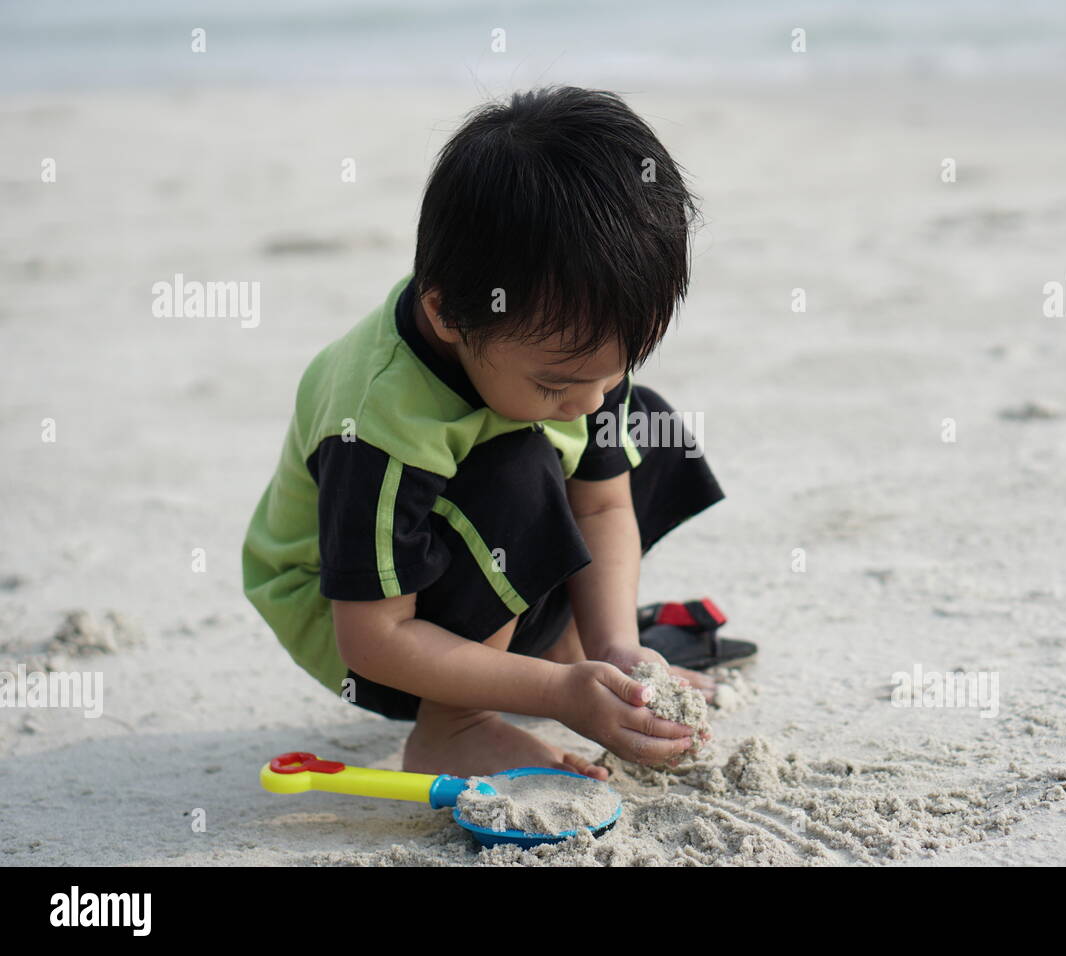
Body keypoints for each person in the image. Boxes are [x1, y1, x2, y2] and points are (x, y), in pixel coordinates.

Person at [241, 86, 732, 781]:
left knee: (641, 422)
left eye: (609, 372)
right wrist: (557, 698)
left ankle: (564, 645)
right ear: (447, 312)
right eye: (557, 384)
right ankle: (455, 726)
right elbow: (373, 641)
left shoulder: (569, 349)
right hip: (369, 629)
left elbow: (602, 503)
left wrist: (616, 645)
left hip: (477, 578)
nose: (587, 402)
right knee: (517, 465)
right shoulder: (376, 424)